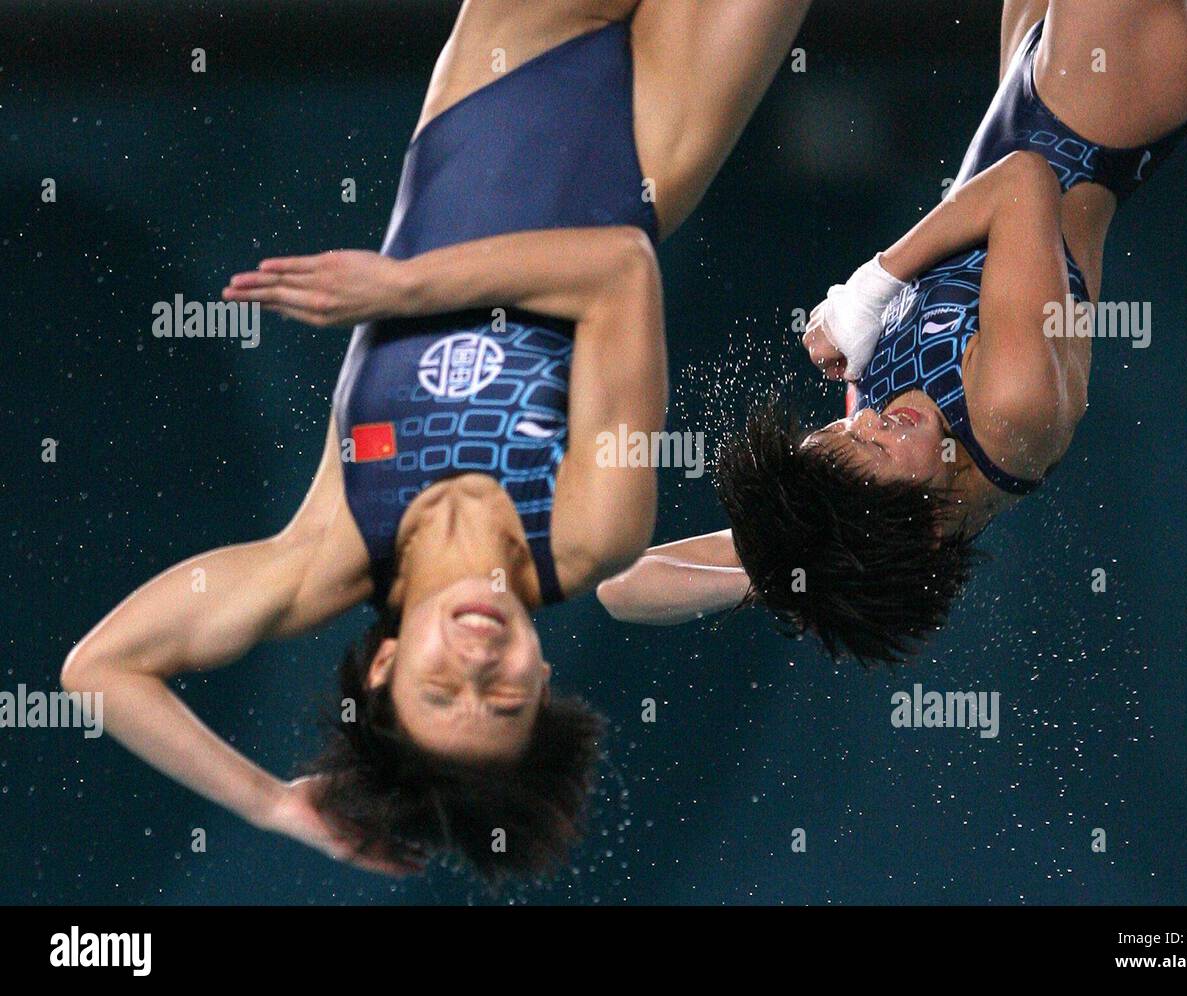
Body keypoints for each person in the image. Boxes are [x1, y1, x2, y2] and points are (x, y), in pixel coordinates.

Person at [62, 0, 811, 884]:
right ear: (539, 684)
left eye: (441, 689)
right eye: (503, 698)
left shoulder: (329, 550)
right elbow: (618, 270)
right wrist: (407, 289)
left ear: (382, 668)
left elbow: (99, 672)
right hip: (655, 147)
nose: (480, 663)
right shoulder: (586, 534)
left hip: (504, 68)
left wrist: (273, 805)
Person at [598, 0, 1187, 667]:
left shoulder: (848, 498)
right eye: (882, 448)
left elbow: (621, 587)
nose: (875, 421)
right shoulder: (1011, 411)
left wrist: (802, 572)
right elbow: (1024, 185)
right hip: (1107, 106)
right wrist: (873, 283)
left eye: (844, 432)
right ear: (930, 527)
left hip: (1024, 88)